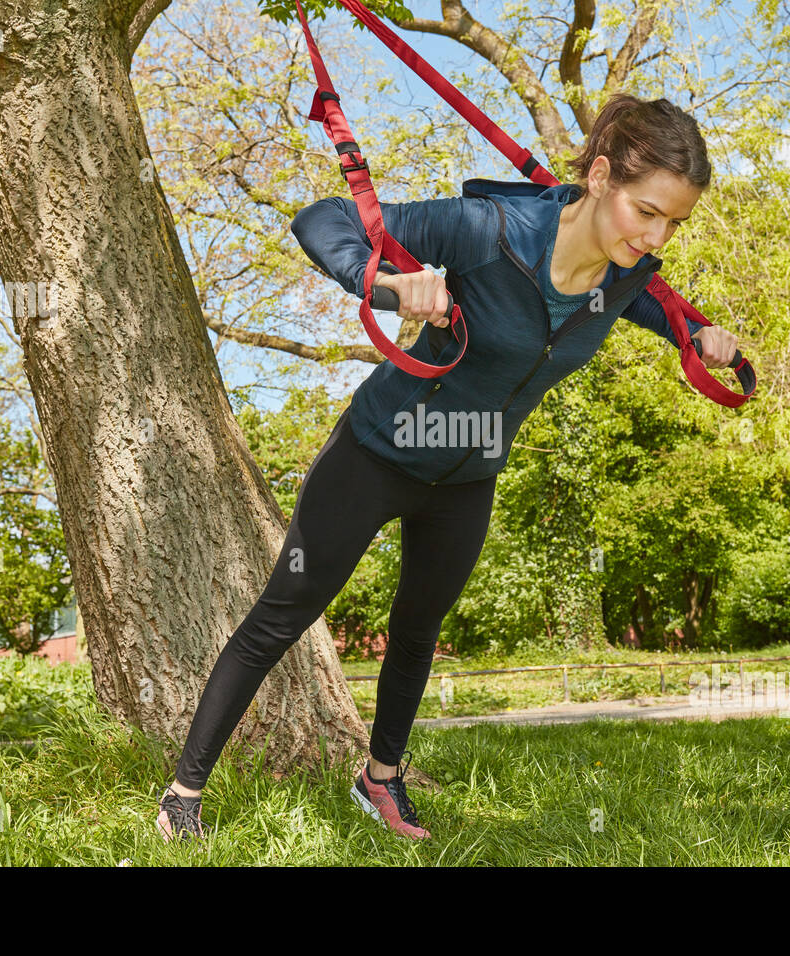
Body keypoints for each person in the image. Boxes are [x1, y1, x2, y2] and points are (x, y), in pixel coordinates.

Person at [155, 92, 740, 843]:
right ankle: (182, 796)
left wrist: (706, 338)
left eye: (673, 223)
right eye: (647, 211)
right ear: (600, 177)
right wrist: (389, 284)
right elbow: (324, 218)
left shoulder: (626, 277)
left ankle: (381, 781)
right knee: (283, 616)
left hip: (466, 479)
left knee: (418, 631)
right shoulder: (486, 231)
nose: (656, 236)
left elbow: (676, 321)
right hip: (375, 451)